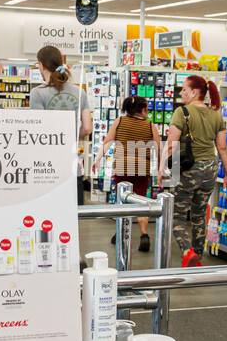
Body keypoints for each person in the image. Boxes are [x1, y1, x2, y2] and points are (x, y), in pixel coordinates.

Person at [164, 75, 227, 267]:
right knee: (199, 215)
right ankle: (198, 259)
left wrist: (161, 167)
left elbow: (171, 145)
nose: (181, 93)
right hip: (210, 170)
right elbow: (222, 148)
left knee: (176, 215)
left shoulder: (182, 112)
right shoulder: (216, 114)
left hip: (188, 169)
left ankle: (188, 252)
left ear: (194, 92)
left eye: (184, 90)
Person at [92, 94, 163, 252]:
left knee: (123, 201)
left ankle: (120, 233)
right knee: (141, 201)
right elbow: (158, 150)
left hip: (122, 168)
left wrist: (97, 160)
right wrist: (160, 170)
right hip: (141, 170)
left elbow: (107, 142)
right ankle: (144, 235)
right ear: (143, 110)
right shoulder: (151, 126)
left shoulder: (120, 121)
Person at [29, 45, 92, 205]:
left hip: (45, 166)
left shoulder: (38, 93)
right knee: (72, 216)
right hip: (72, 164)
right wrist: (70, 134)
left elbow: (38, 129)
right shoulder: (80, 92)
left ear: (41, 65)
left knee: (47, 215)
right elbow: (87, 128)